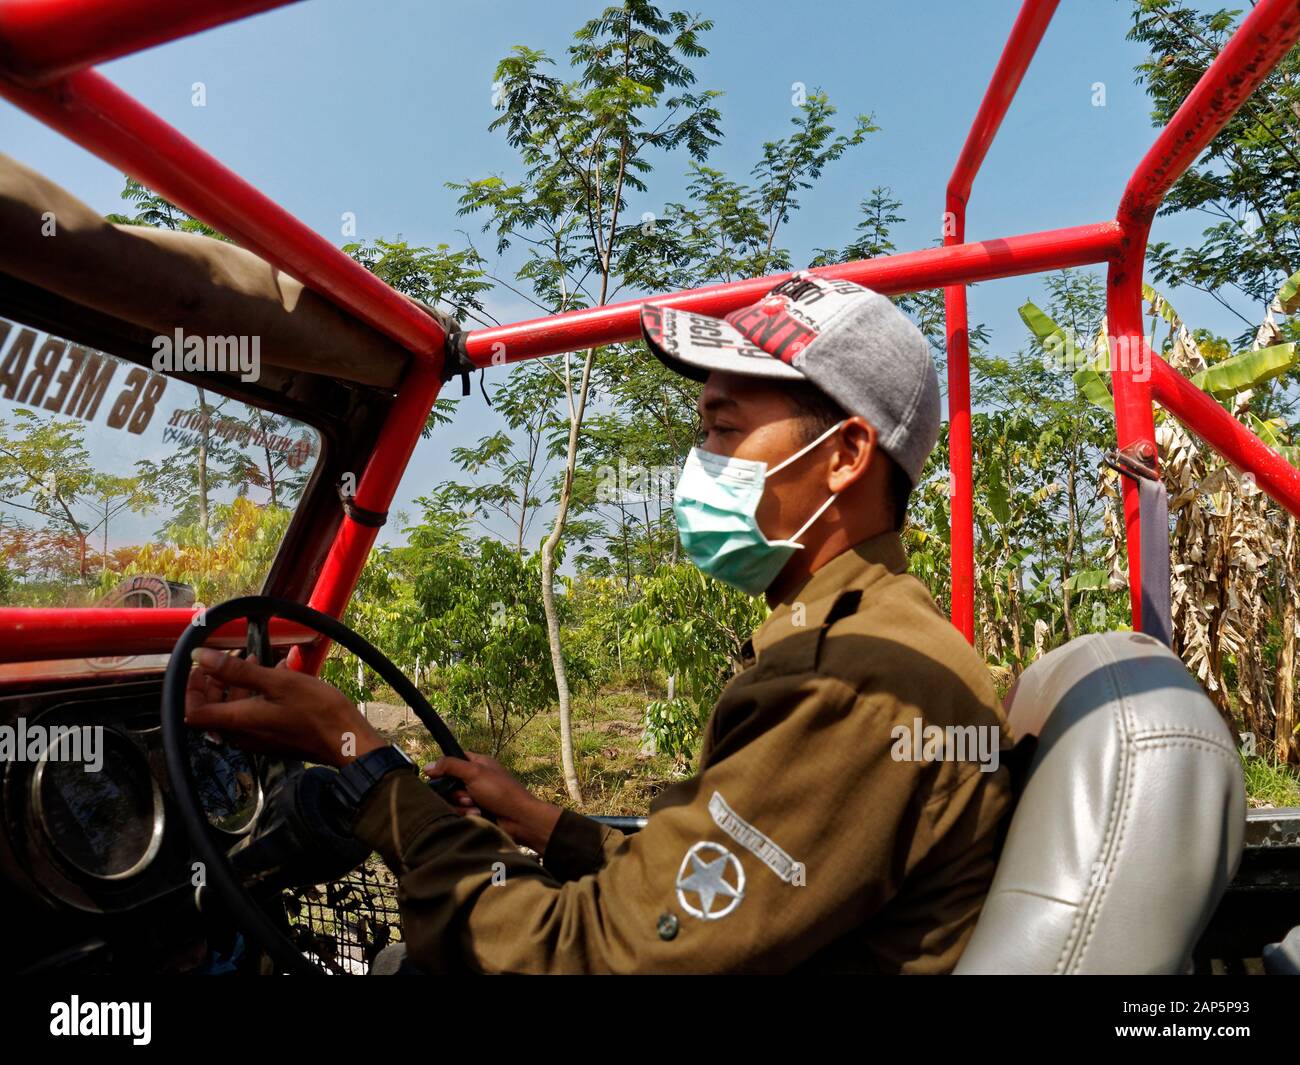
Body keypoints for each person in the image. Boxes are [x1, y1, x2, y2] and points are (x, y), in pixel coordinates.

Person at [186, 272, 1014, 974]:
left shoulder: (857, 680)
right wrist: (549, 825)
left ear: (845, 456)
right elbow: (710, 897)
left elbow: (586, 955)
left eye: (725, 430)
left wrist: (362, 764)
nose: (701, 463)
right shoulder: (864, 637)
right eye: (703, 431)